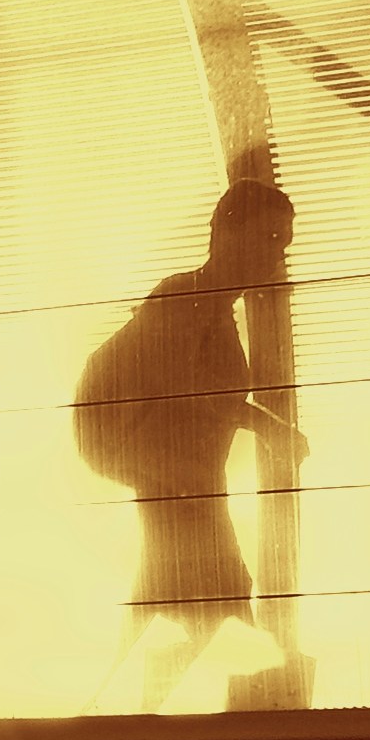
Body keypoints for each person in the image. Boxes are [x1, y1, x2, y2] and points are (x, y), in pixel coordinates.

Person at [72, 172, 310, 707]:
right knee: (211, 588)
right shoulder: (184, 300)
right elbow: (181, 392)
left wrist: (260, 425)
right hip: (164, 467)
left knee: (178, 591)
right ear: (225, 230)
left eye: (283, 246)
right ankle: (243, 712)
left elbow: (201, 397)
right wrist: (264, 425)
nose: (275, 259)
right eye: (269, 240)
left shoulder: (212, 311)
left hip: (174, 472)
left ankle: (128, 713)